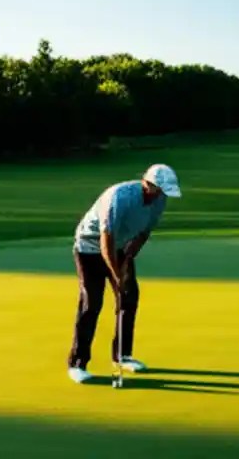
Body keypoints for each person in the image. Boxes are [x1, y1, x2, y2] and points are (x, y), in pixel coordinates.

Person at [67, 163, 181, 384]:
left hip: (118, 248)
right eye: (160, 190)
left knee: (129, 297)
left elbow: (144, 232)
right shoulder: (119, 197)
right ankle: (77, 363)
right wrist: (116, 274)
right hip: (89, 247)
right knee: (92, 302)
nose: (162, 195)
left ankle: (122, 356)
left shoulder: (159, 200)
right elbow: (105, 239)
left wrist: (128, 260)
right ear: (148, 184)